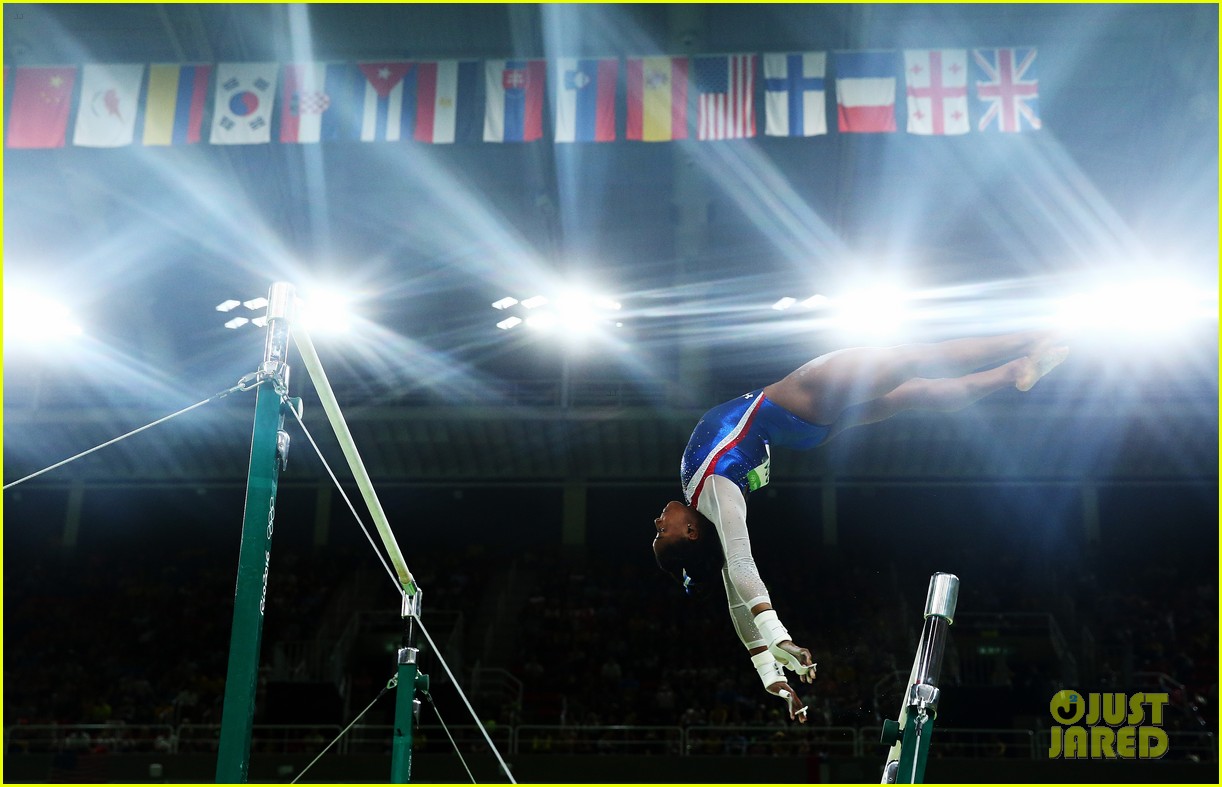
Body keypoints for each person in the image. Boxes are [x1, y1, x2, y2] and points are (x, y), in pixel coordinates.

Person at [651, 331, 1069, 723]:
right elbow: (743, 567)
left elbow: (736, 602)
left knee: (914, 393)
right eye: (661, 533)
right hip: (800, 401)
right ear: (691, 534)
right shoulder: (714, 489)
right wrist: (780, 638)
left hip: (802, 427)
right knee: (912, 360)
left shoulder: (706, 508)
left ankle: (1013, 372)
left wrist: (771, 678)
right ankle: (1033, 338)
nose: (657, 522)